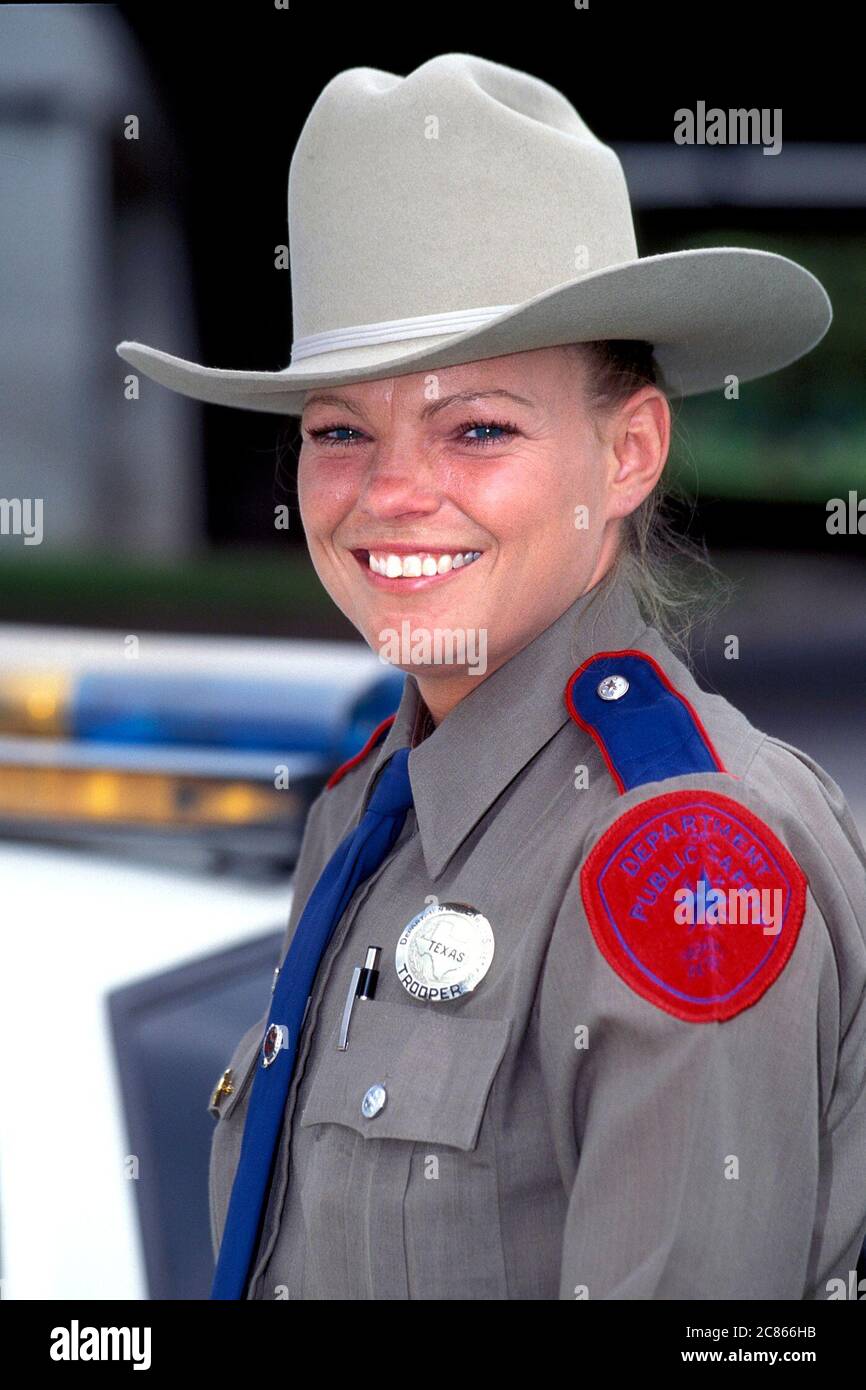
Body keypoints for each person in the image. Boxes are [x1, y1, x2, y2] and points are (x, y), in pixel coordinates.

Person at [117, 53, 866, 1300]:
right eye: (339, 431)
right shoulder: (375, 797)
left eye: (477, 428)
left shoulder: (688, 857)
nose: (391, 495)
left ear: (626, 453)